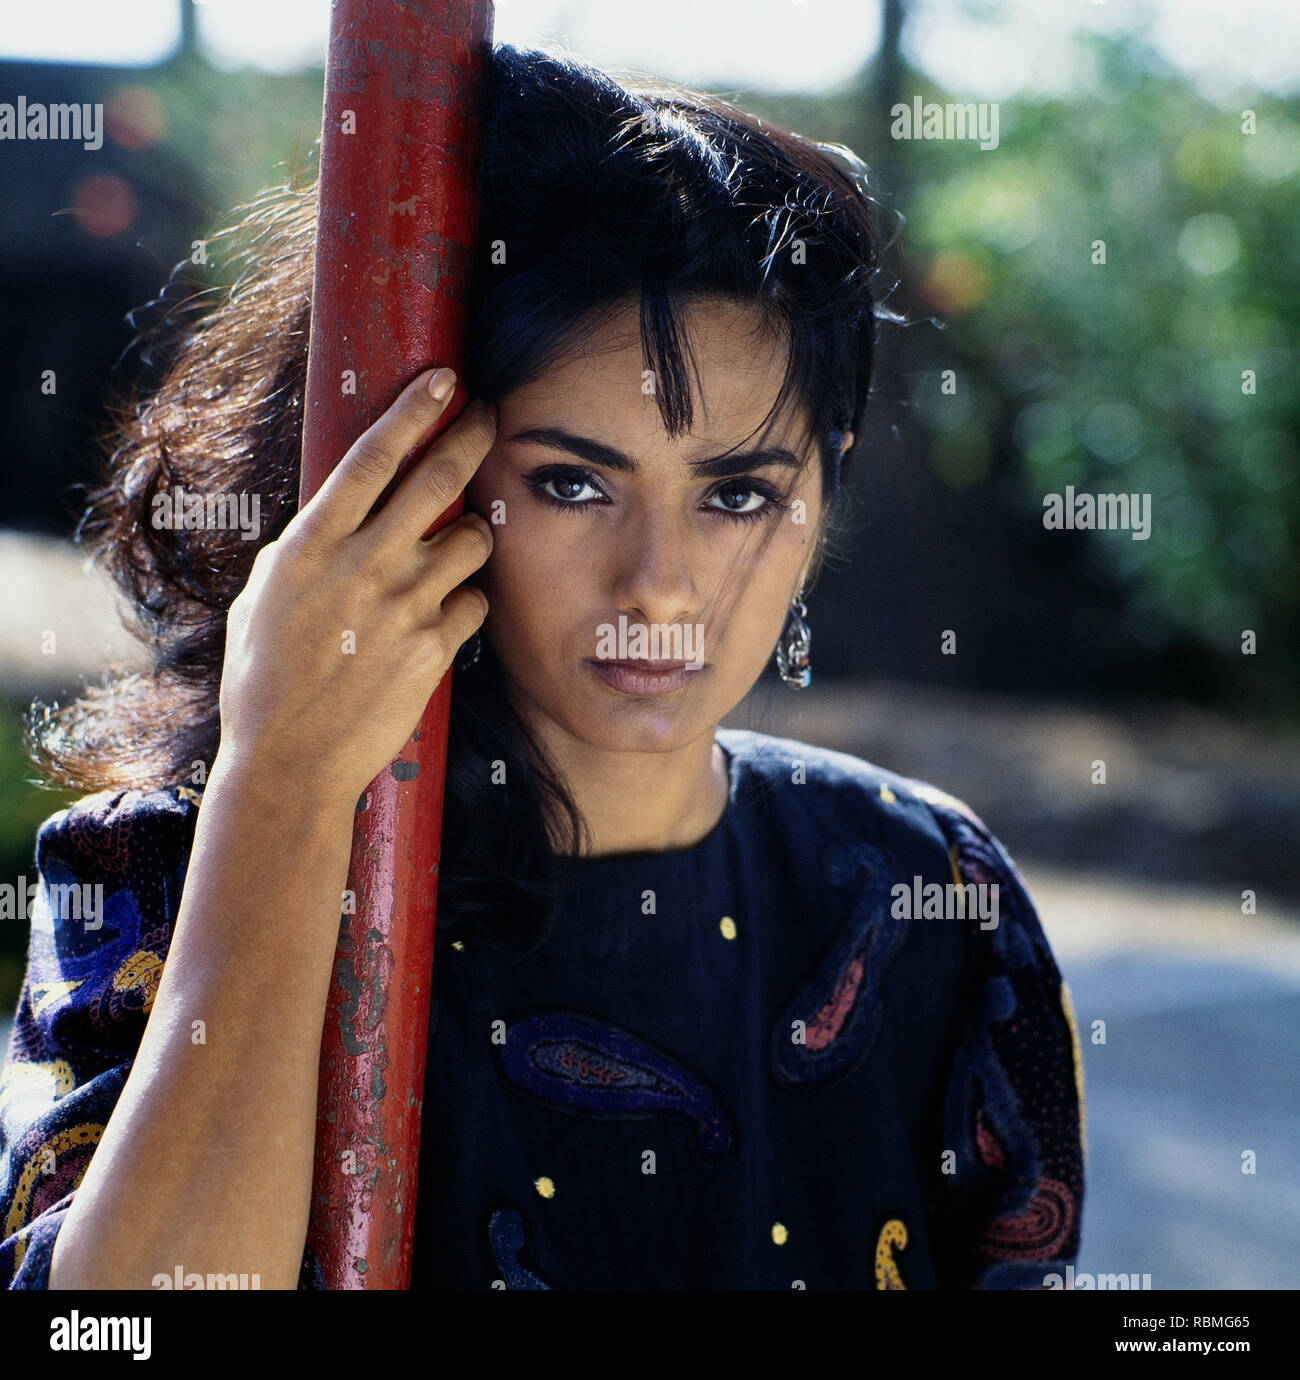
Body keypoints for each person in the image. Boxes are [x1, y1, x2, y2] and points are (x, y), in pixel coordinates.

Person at [0, 43, 1085, 1290]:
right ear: (421, 491)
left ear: (828, 481)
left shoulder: (925, 893)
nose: (659, 584)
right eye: (572, 483)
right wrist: (286, 780)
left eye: (738, 493)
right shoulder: (163, 869)